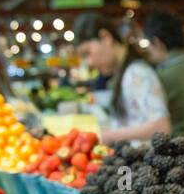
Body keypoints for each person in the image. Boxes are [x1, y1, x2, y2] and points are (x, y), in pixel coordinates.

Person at [73, 13, 170, 145]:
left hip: (143, 161)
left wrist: (110, 135)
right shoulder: (124, 73)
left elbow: (161, 127)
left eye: (87, 53)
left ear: (105, 37)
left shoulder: (137, 73)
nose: (89, 63)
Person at [140, 11, 184, 149]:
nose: (148, 51)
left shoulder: (162, 76)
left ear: (157, 42)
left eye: (149, 45)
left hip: (182, 157)